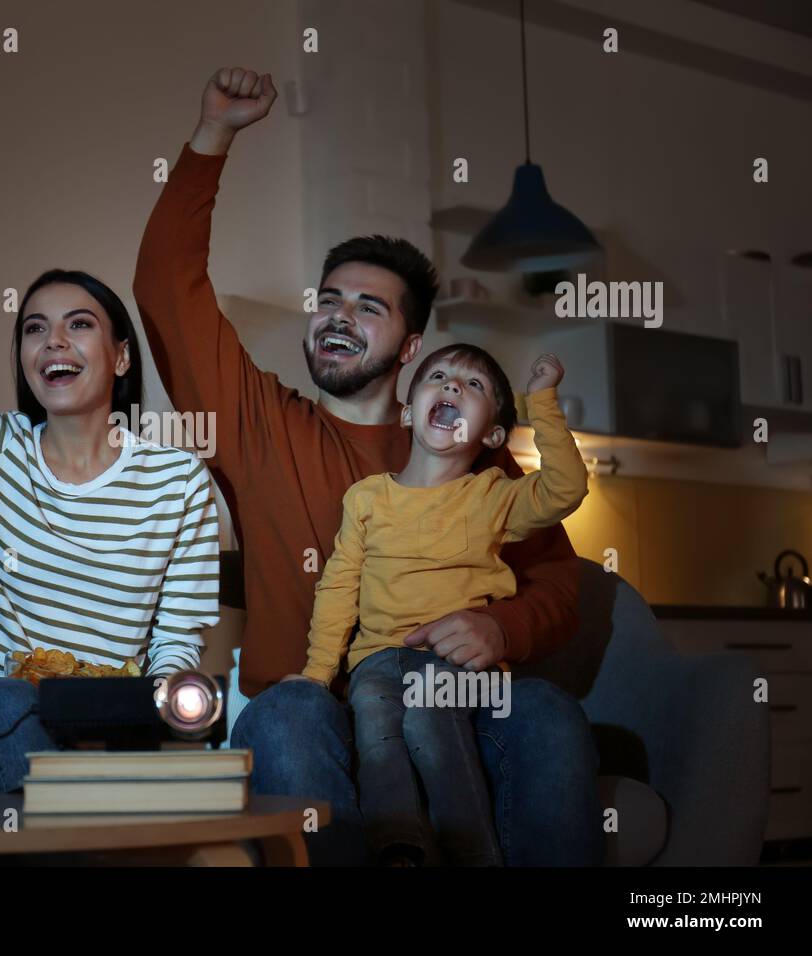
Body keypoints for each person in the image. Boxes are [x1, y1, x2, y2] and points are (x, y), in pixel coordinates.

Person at [133, 67, 602, 865]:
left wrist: (501, 625)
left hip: (455, 701)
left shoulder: (468, 457)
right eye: (329, 300)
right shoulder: (257, 425)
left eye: (368, 307)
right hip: (317, 707)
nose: (338, 317)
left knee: (551, 713)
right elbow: (164, 289)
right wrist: (214, 133)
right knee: (278, 715)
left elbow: (560, 582)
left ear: (411, 348)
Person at [0, 80, 221, 796]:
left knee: (167, 751)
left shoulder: (177, 484)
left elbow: (175, 650)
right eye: (33, 327)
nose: (52, 340)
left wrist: (173, 726)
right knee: (11, 703)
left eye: (78, 323)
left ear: (120, 357)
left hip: (94, 737)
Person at [303, 346, 588, 865]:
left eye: (473, 385)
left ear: (493, 436)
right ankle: (401, 848)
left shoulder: (494, 496)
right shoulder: (366, 499)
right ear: (409, 413)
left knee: (430, 717)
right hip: (376, 660)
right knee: (376, 723)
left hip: (452, 661)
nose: (453, 386)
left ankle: (471, 853)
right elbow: (338, 587)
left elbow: (566, 488)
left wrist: (542, 400)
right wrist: (317, 673)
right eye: (438, 377)